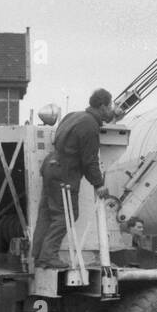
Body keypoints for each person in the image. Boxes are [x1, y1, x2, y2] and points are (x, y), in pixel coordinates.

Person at [30, 89, 116, 283]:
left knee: (47, 213)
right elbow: (89, 160)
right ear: (102, 106)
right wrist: (99, 184)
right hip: (65, 173)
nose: (110, 109)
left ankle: (38, 255)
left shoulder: (74, 116)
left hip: (51, 166)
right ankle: (48, 256)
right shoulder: (90, 126)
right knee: (66, 215)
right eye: (109, 106)